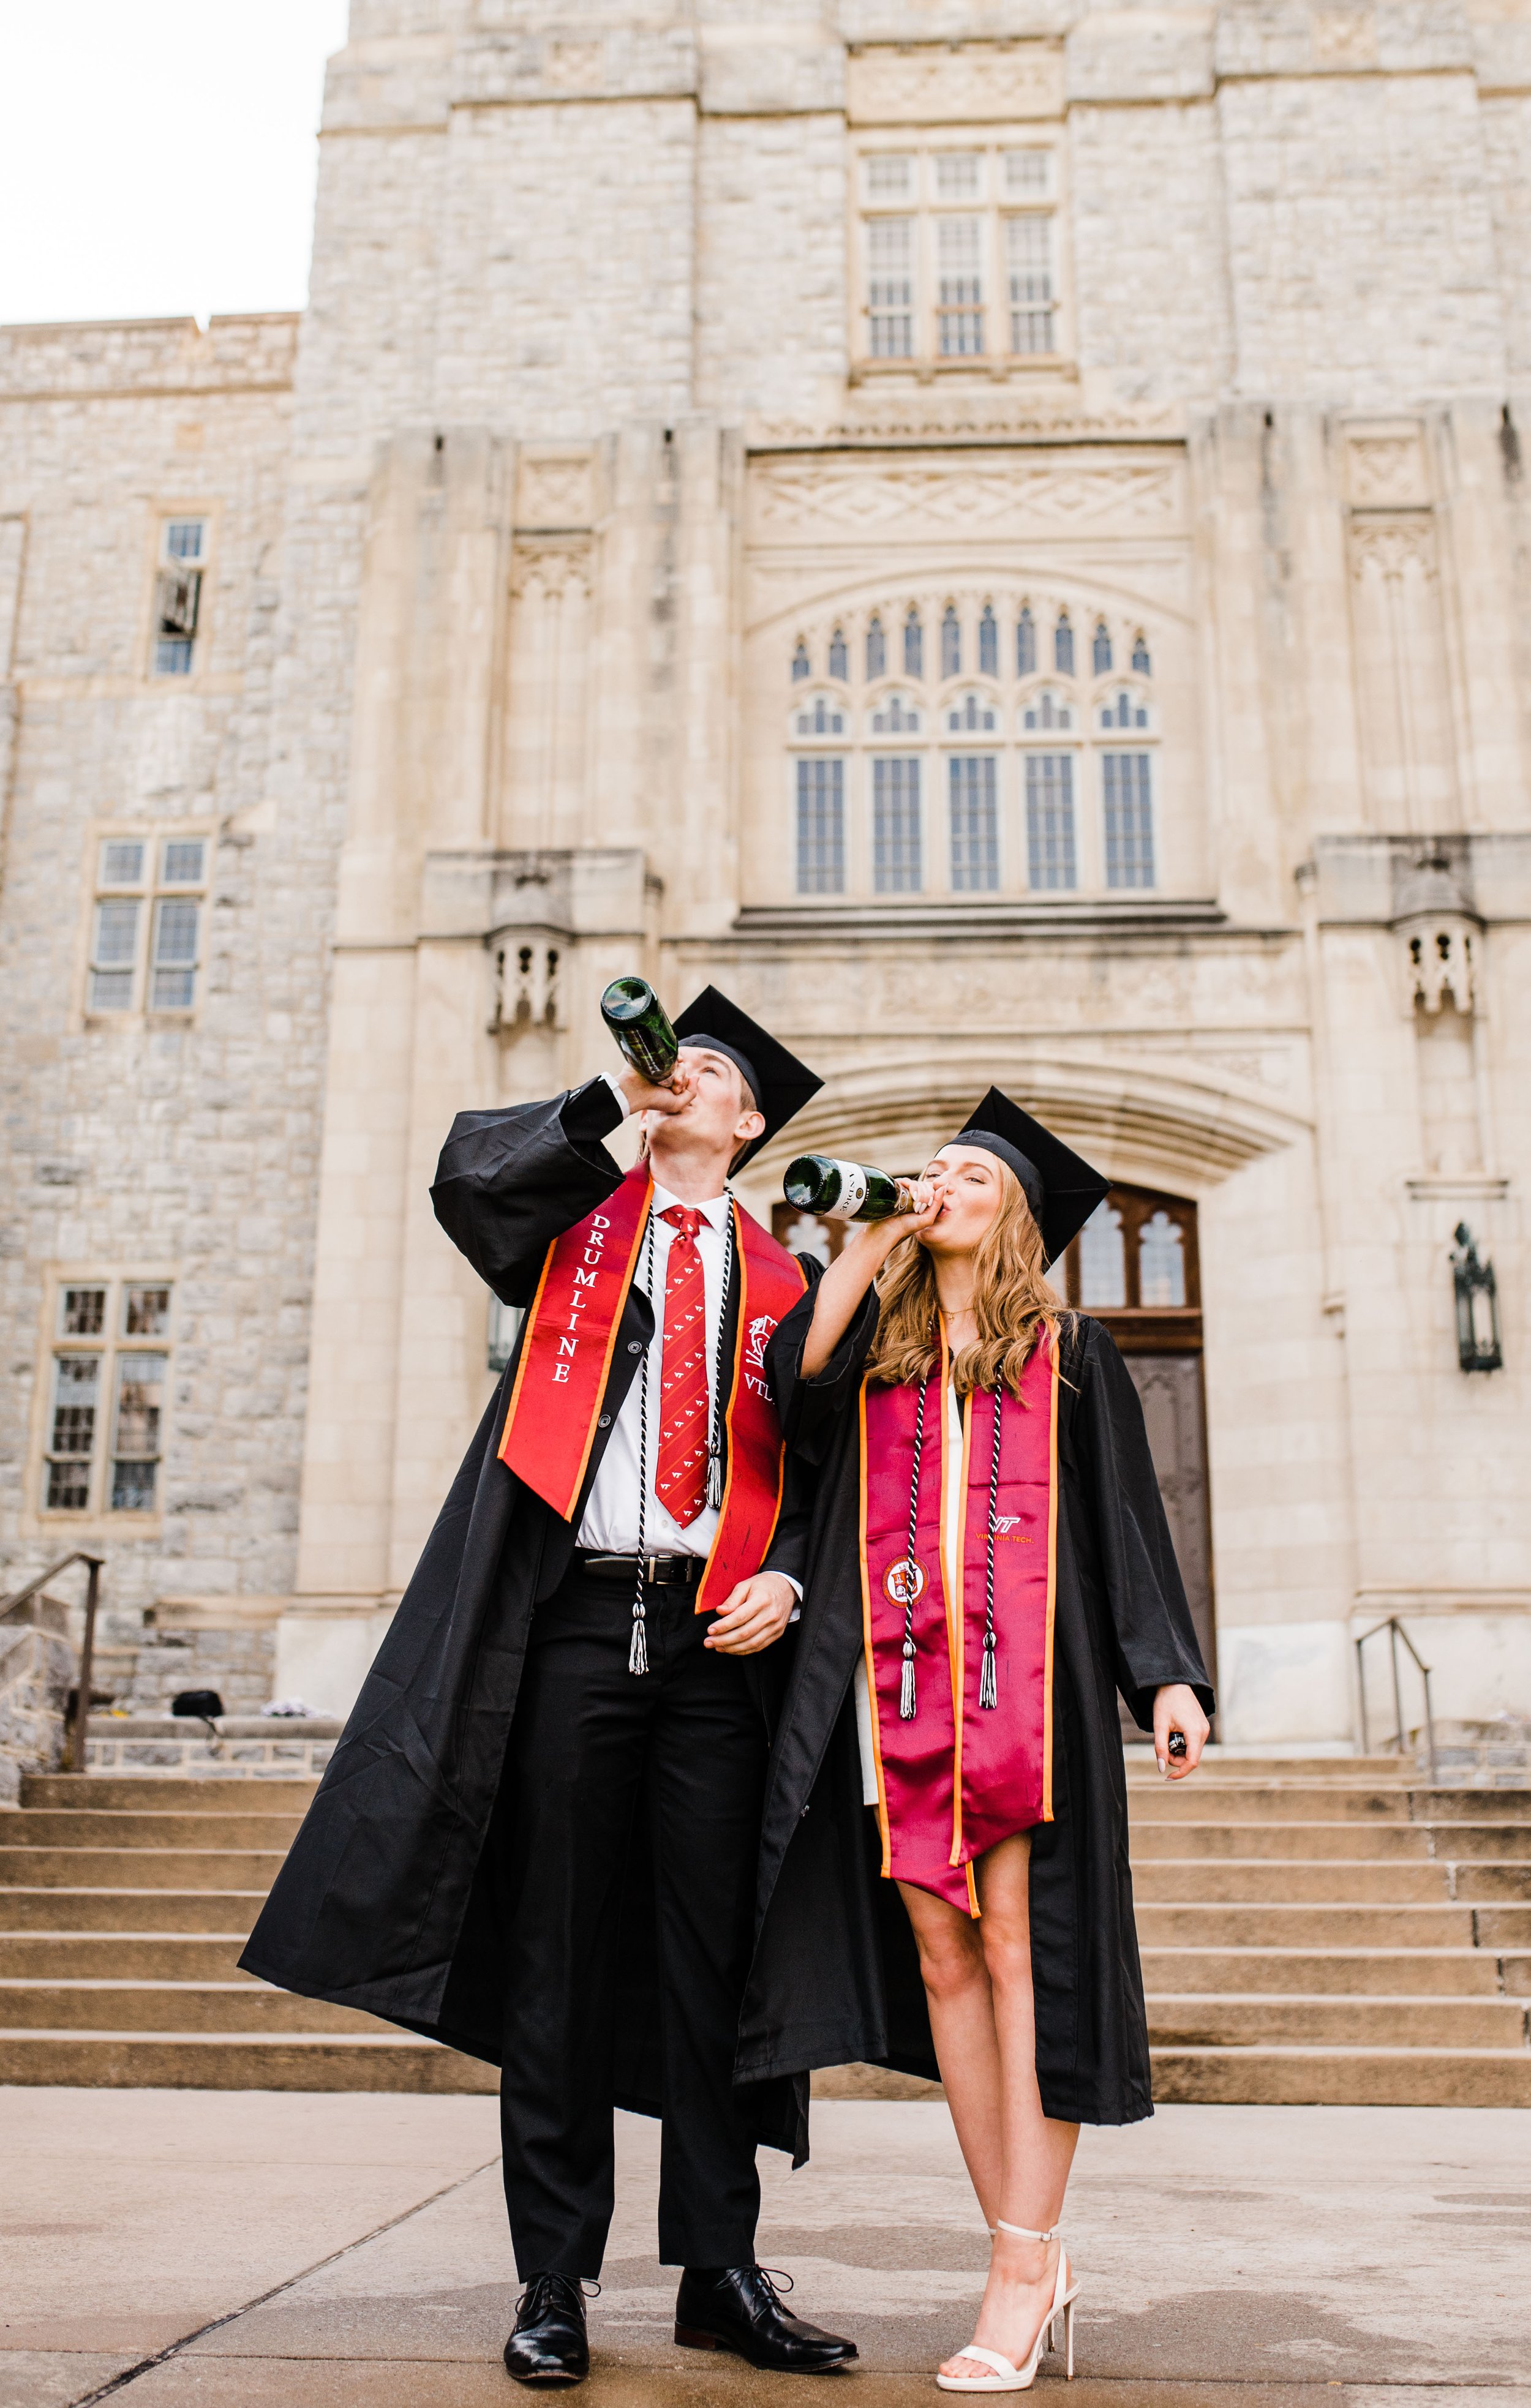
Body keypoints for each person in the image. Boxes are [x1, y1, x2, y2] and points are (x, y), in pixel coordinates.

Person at [240, 988, 858, 2386]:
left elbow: (835, 1465)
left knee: (719, 1960)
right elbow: (469, 1176)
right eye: (671, 1063)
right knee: (560, 1956)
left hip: (719, 1642)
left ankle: (718, 2267)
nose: (680, 1075)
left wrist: (799, 1576)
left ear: (752, 1120)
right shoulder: (573, 1227)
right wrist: (604, 1107)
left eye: (704, 1070)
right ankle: (553, 2277)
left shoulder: (784, 1280)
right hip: (577, 1620)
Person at [754, 1089, 1213, 2393]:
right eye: (929, 1168)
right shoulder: (876, 1360)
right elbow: (789, 1387)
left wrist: (1165, 1678)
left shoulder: (1070, 1350)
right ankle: (1019, 2244)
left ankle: (1022, 2260)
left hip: (1031, 1698)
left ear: (1010, 1206)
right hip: (892, 1696)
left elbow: (1124, 1522)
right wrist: (860, 1240)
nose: (937, 1181)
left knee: (1020, 1951)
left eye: (963, 1171)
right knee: (942, 1956)